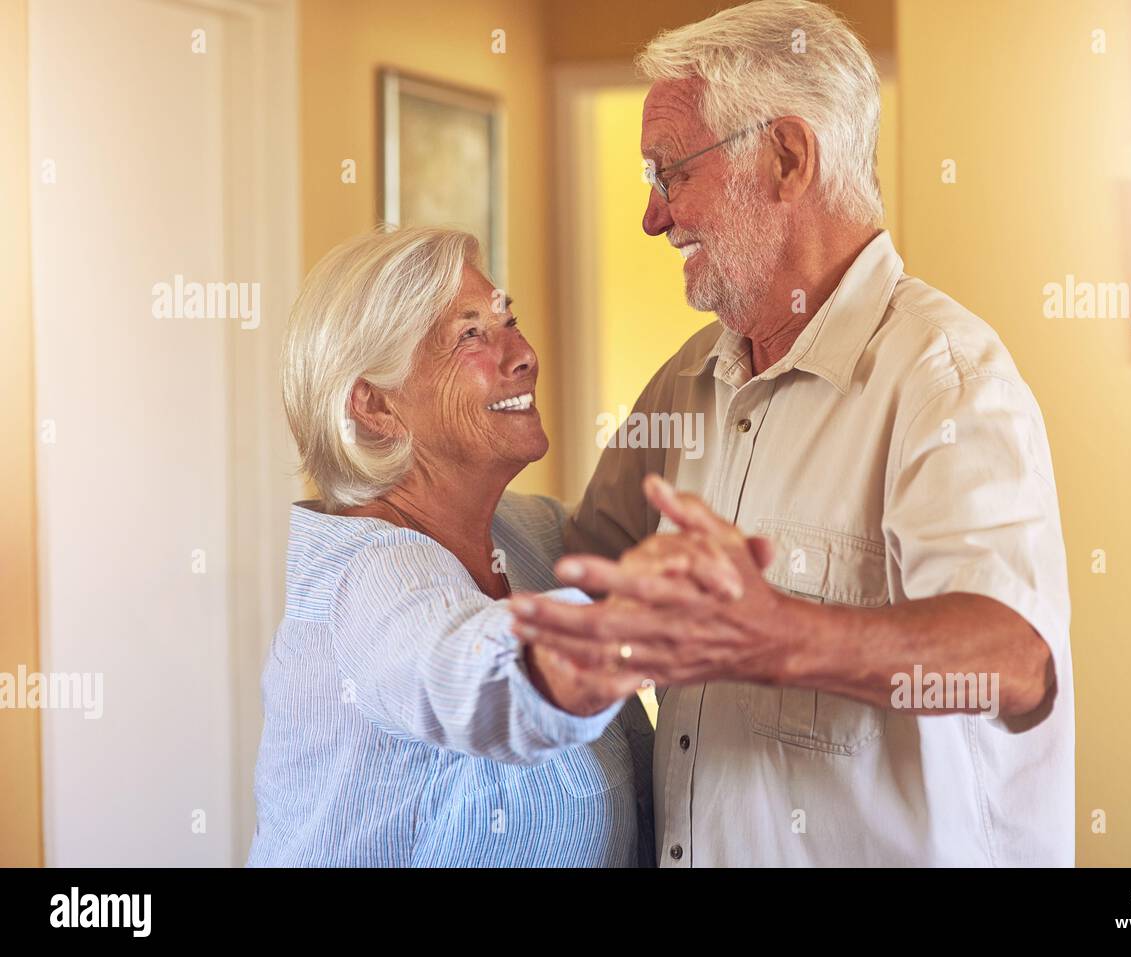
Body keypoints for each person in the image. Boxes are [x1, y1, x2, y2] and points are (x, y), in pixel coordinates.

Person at [509, 0, 1075, 867]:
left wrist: (778, 634)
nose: (655, 219)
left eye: (670, 173)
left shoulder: (945, 376)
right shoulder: (688, 379)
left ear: (785, 156)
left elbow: (1013, 662)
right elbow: (586, 582)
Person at [247, 226, 658, 866]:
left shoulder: (526, 535)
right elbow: (466, 673)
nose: (523, 354)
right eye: (471, 335)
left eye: (508, 320)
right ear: (376, 406)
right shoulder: (368, 580)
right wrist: (651, 628)